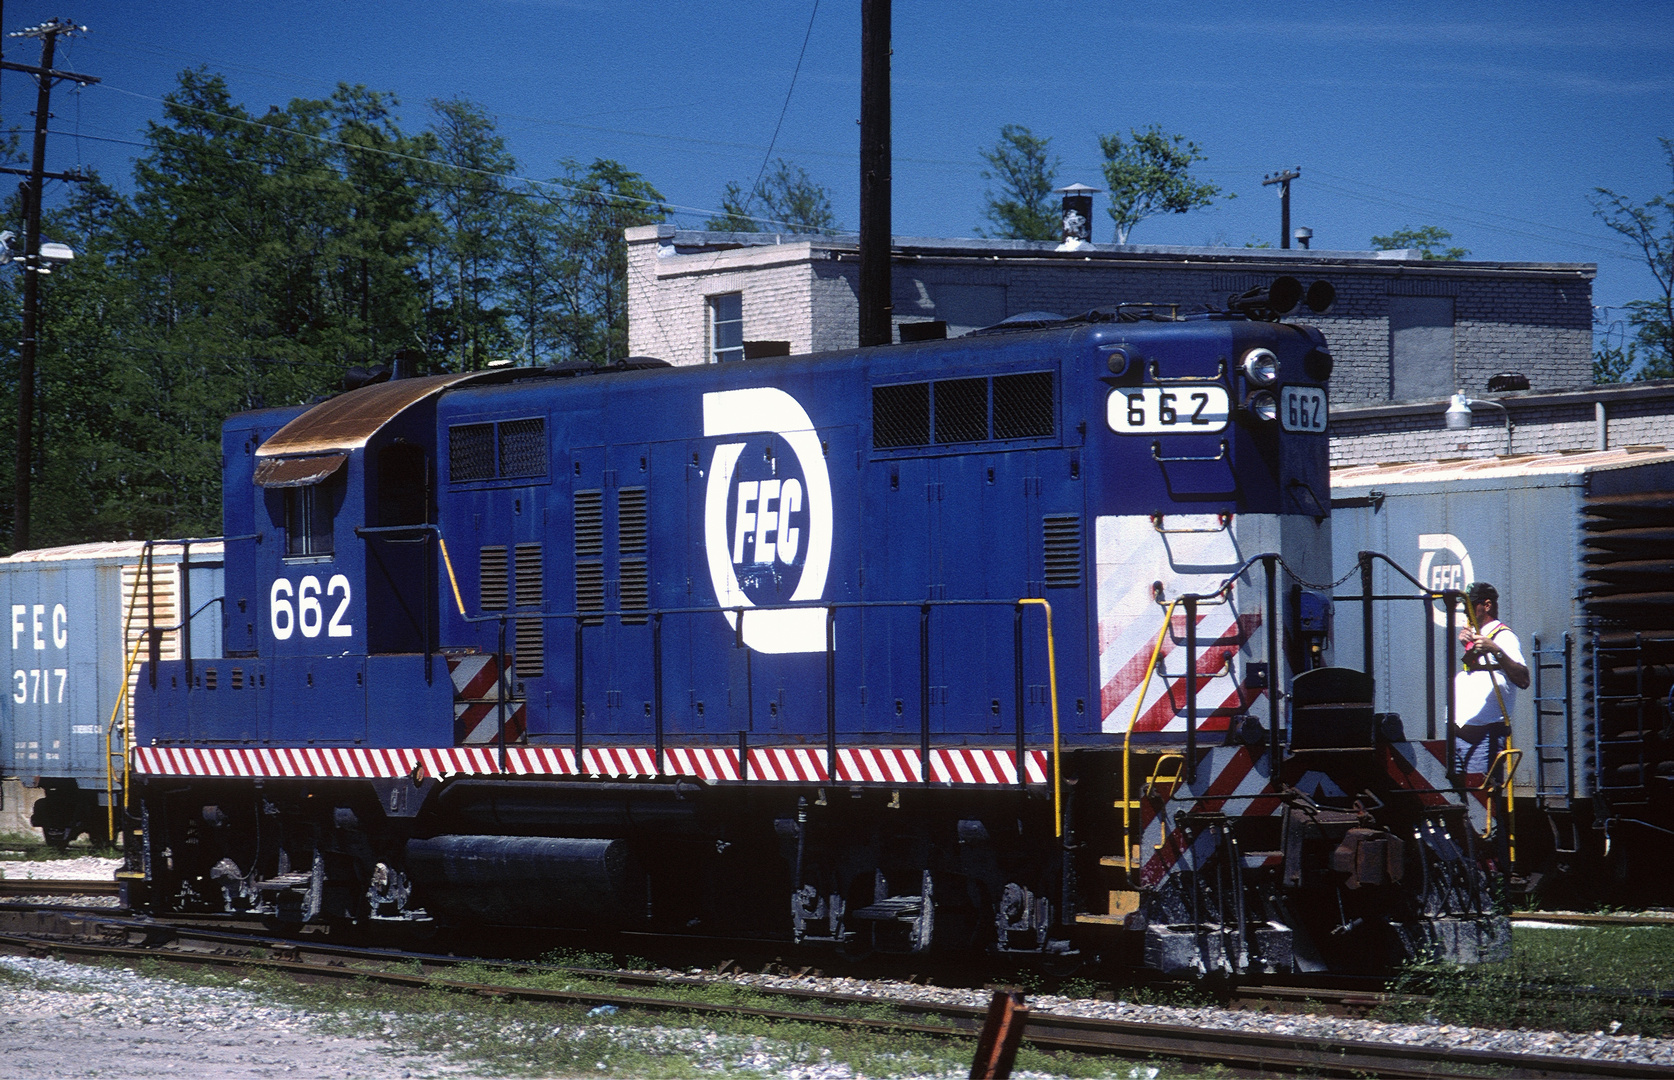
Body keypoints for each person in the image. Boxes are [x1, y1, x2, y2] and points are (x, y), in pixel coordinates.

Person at [1453, 581, 1530, 774]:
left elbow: (1523, 679)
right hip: (1461, 730)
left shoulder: (1503, 637)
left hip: (1484, 732)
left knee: (1480, 794)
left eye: (1470, 605)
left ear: (1487, 605)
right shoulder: (1478, 634)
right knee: (1461, 793)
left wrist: (1495, 650)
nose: (1465, 611)